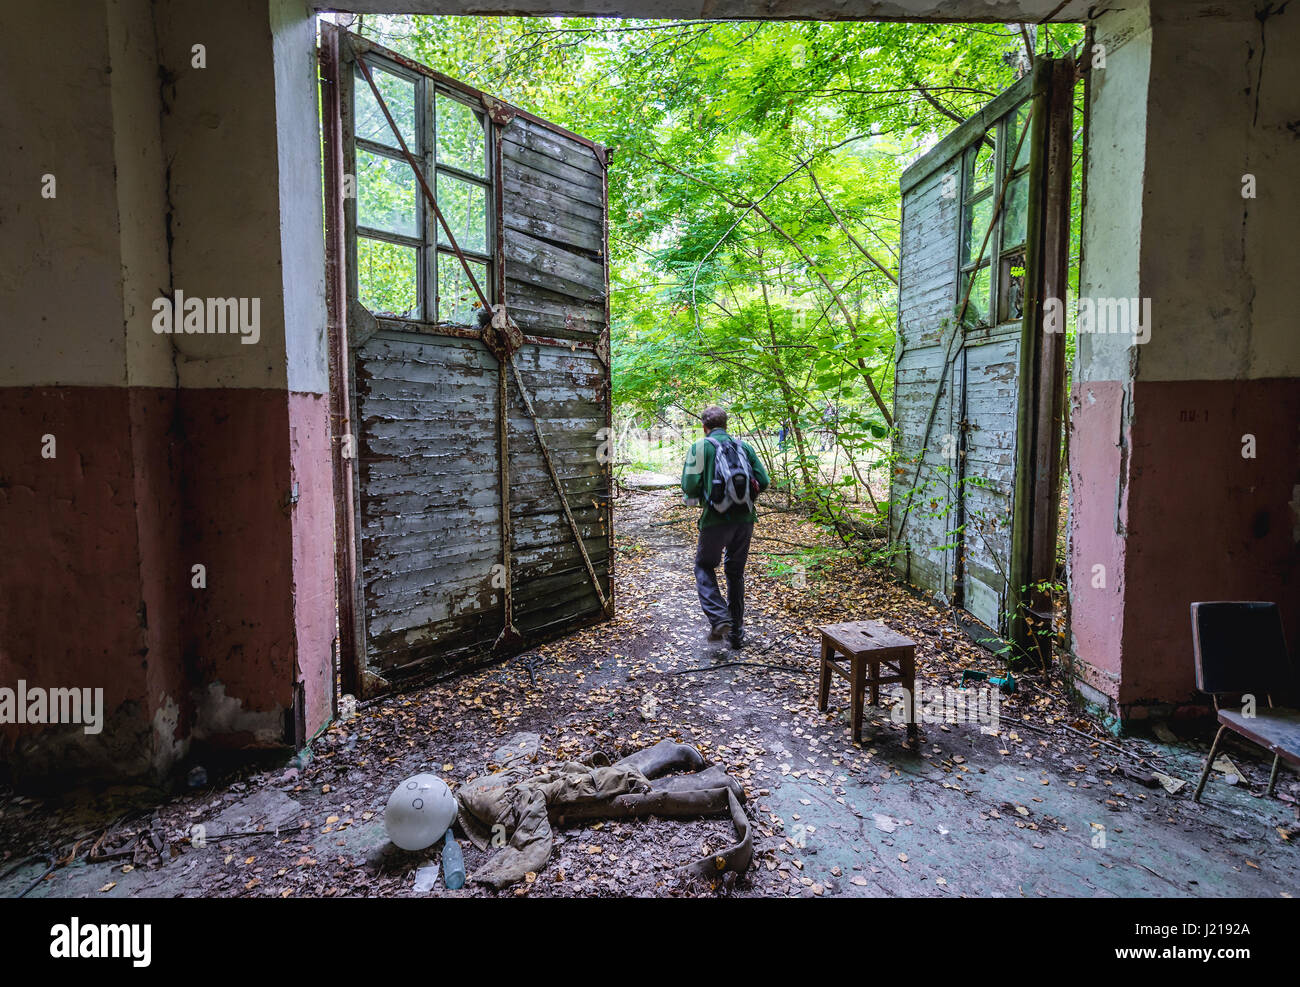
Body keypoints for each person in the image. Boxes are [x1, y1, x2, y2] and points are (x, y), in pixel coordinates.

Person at [680, 405, 770, 649]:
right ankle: (737, 633)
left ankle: (720, 619)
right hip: (745, 520)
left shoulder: (700, 447)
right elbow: (764, 480)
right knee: (735, 573)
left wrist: (705, 495)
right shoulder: (744, 446)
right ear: (726, 424)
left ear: (704, 426)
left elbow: (689, 486)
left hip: (715, 521)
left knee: (704, 566)